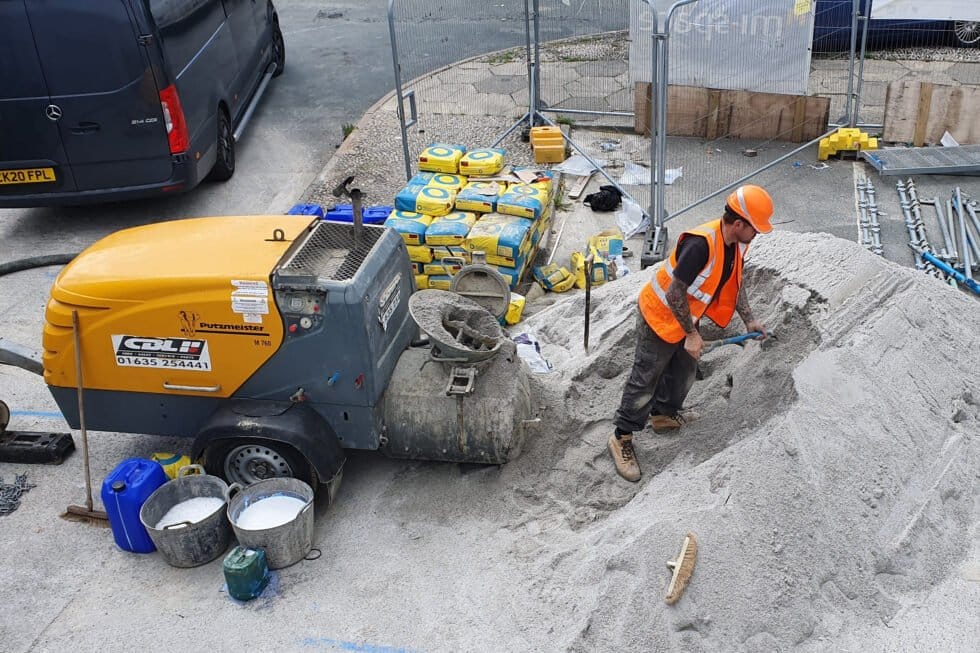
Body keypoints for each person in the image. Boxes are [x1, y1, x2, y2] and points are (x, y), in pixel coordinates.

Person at [608, 184, 774, 482]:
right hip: (659, 314)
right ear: (738, 224)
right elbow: (673, 294)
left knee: (684, 369)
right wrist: (692, 334)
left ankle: (663, 415)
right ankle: (621, 437)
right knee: (646, 377)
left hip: (685, 315)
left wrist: (749, 321)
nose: (757, 234)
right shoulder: (701, 245)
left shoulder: (736, 244)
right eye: (755, 229)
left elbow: (734, 283)